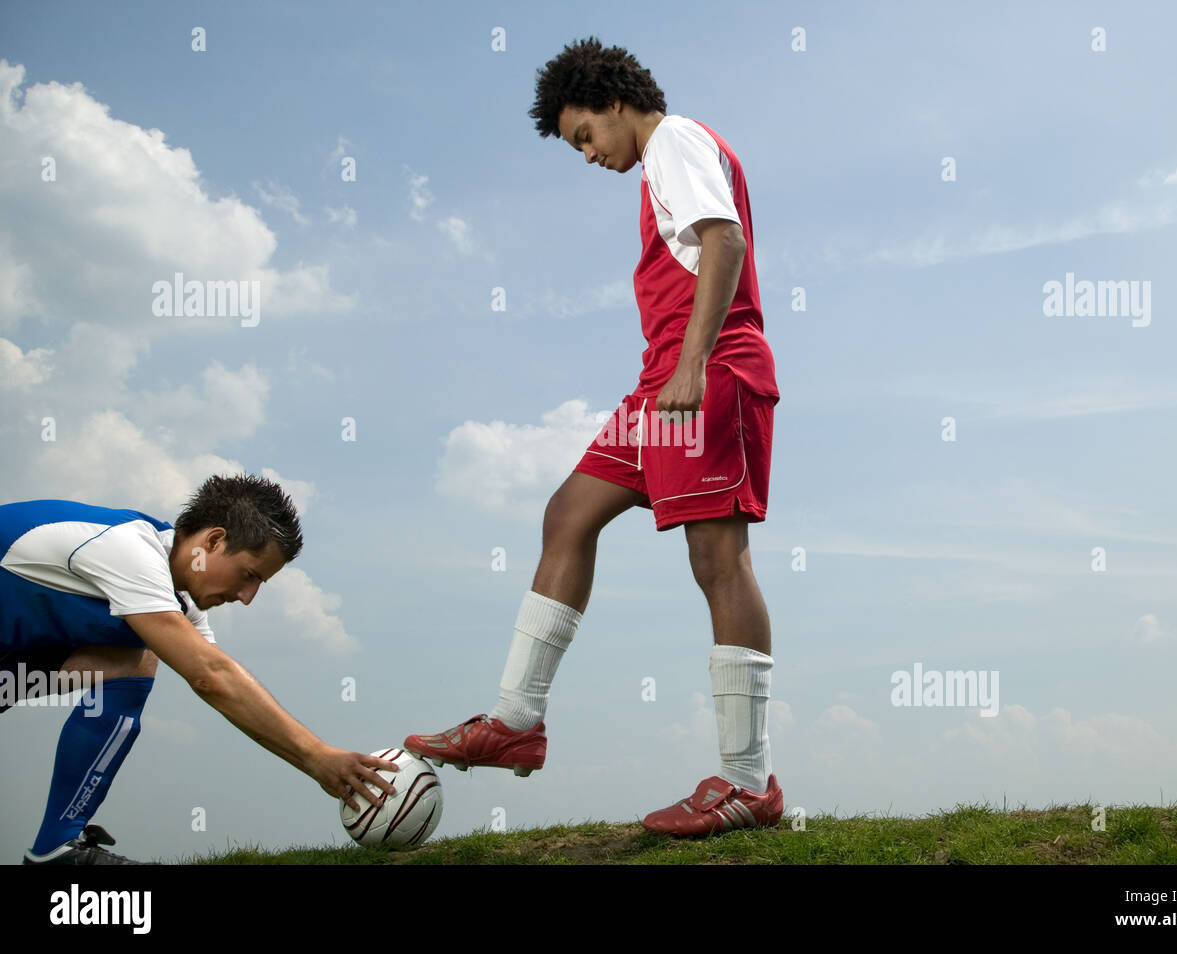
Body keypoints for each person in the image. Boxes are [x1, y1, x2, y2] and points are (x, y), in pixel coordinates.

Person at [406, 37, 783, 836]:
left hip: (704, 375)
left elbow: (726, 241)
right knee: (568, 514)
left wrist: (693, 366)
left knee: (718, 559)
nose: (585, 154)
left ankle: (750, 782)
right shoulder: (658, 166)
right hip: (659, 386)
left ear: (614, 103)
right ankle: (515, 721)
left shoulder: (675, 140)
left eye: (584, 134)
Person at [0, 473, 398, 865]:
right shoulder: (128, 549)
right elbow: (211, 676)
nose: (246, 597)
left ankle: (56, 845)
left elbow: (223, 684)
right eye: (249, 576)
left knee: (135, 659)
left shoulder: (176, 603)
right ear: (213, 540)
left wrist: (318, 762)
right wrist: (318, 755)